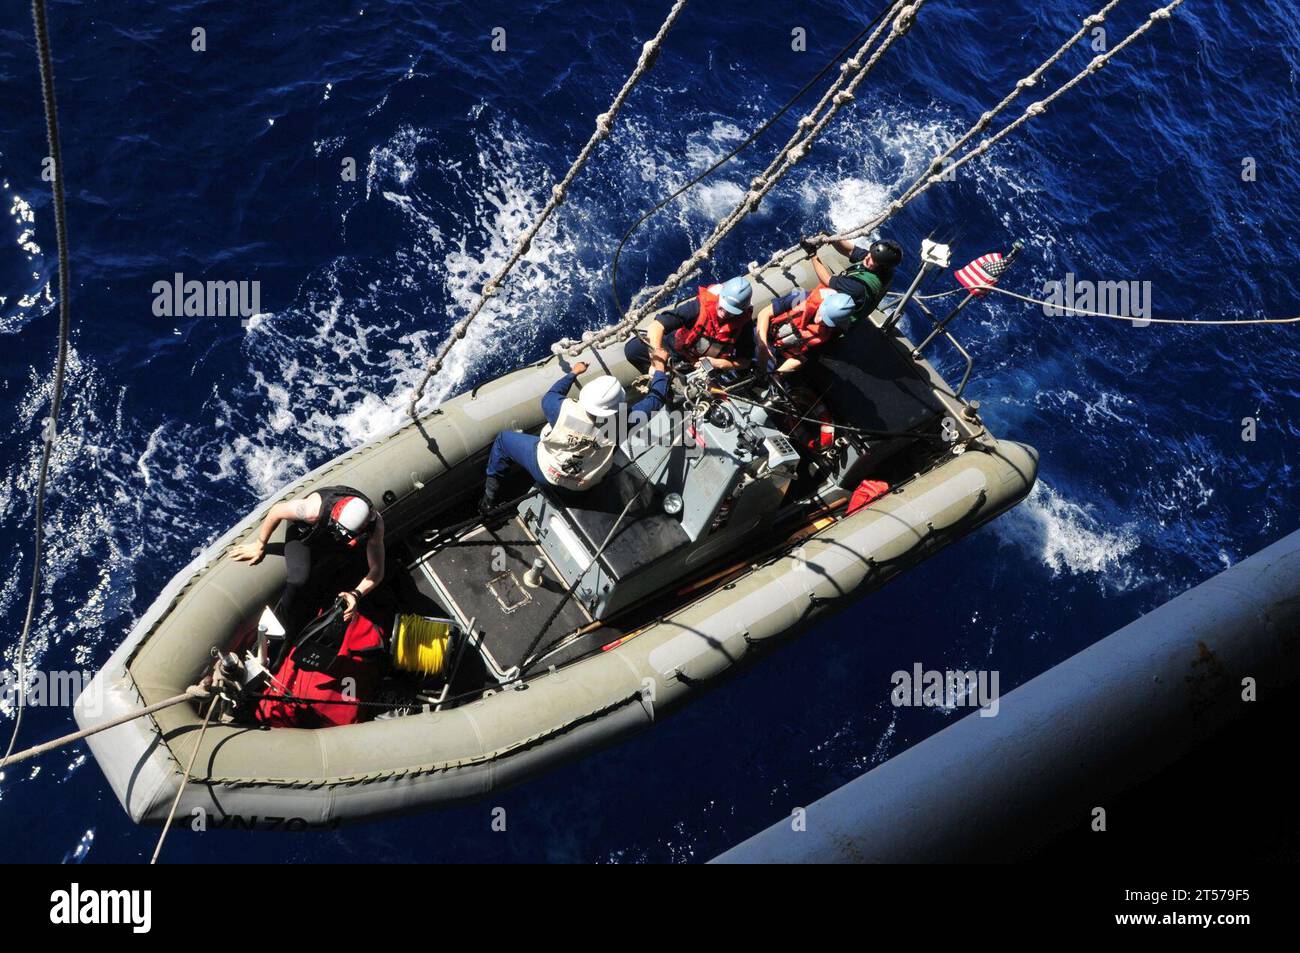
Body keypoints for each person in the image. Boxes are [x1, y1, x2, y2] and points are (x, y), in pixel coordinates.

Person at [479, 361, 670, 511]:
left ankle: (489, 498)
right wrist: (660, 370)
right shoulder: (624, 424)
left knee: (503, 441)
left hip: (545, 469)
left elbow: (553, 393)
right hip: (580, 485)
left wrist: (574, 373)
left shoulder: (560, 408)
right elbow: (654, 401)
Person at [229, 486, 385, 639]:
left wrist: (356, 594)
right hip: (304, 530)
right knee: (299, 578)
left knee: (332, 568)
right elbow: (277, 511)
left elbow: (377, 569)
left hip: (328, 534)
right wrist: (260, 544)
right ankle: (281, 620)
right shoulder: (311, 511)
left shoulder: (374, 525)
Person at [624, 276, 754, 373]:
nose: (724, 313)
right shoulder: (698, 308)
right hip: (672, 349)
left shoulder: (743, 325)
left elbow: (745, 361)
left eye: (731, 311)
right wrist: (656, 363)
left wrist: (721, 363)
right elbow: (657, 325)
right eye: (722, 307)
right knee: (633, 349)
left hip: (698, 368)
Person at [753, 287, 856, 376]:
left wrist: (778, 373)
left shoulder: (829, 334)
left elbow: (802, 358)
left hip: (778, 355)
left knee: (768, 381)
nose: (819, 320)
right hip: (761, 335)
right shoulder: (800, 298)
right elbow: (764, 313)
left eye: (826, 320)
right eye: (822, 313)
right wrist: (762, 344)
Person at [811, 238, 903, 322]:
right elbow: (851, 251)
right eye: (870, 253)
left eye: (873, 260)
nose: (867, 257)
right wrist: (832, 239)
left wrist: (813, 255)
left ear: (882, 267)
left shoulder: (859, 286)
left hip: (839, 320)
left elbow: (827, 280)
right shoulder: (883, 268)